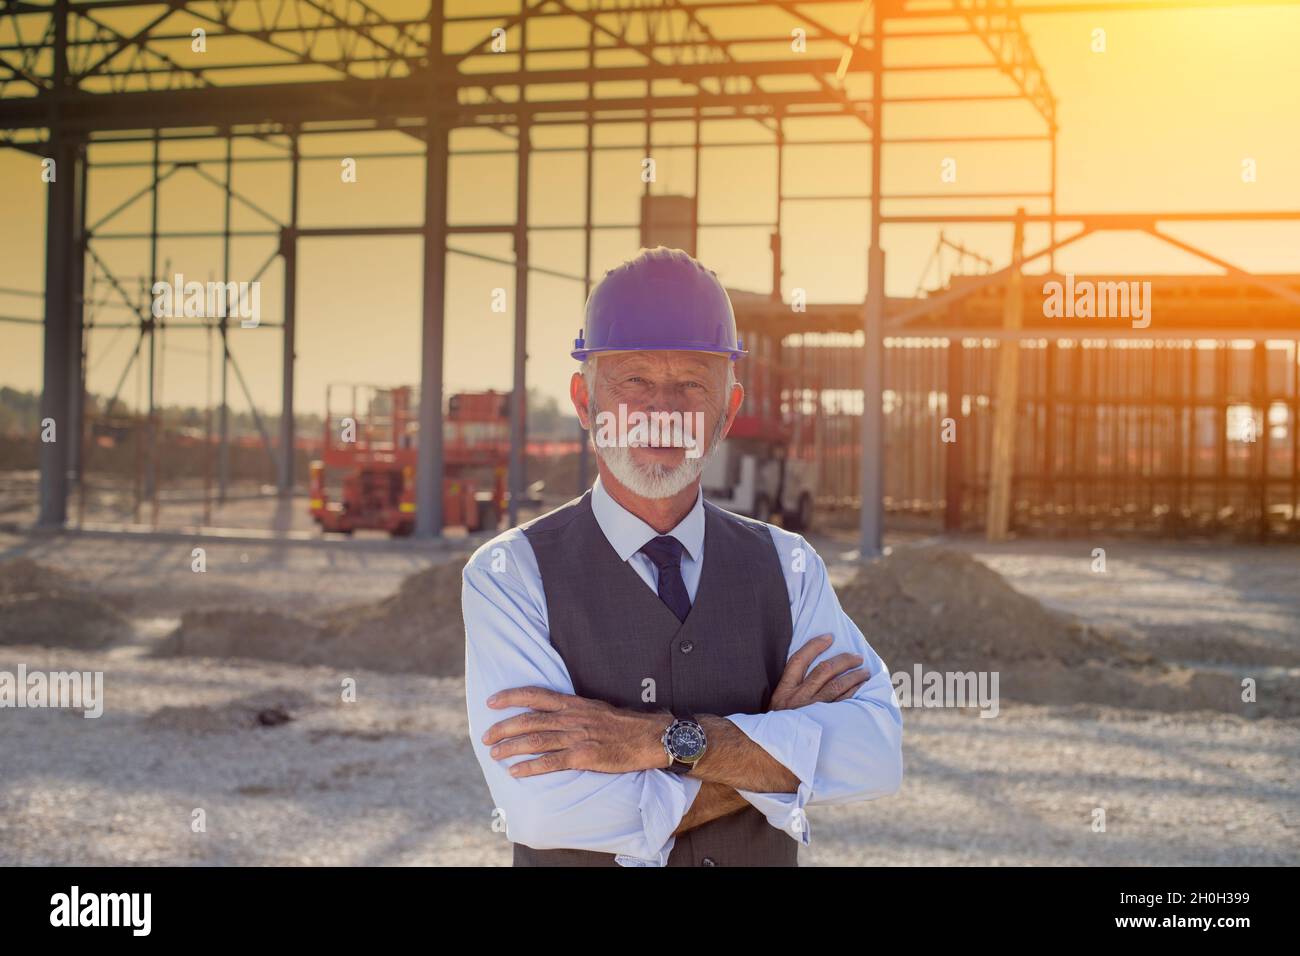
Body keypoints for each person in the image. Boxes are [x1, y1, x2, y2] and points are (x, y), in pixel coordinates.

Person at [462, 246, 902, 866]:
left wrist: (657, 743)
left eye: (692, 384)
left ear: (728, 411)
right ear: (587, 404)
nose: (662, 411)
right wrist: (773, 756)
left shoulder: (789, 565)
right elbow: (545, 810)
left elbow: (877, 754)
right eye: (634, 380)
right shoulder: (510, 575)